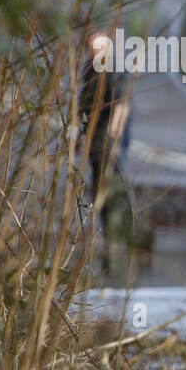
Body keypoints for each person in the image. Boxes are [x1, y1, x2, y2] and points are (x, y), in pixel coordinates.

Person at [79, 30, 133, 244]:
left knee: (114, 184)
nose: (97, 52)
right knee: (99, 180)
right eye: (94, 49)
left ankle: (118, 233)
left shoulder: (113, 70)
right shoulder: (90, 71)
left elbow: (122, 105)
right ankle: (108, 231)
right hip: (94, 136)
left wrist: (114, 135)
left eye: (102, 48)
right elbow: (84, 105)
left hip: (108, 137)